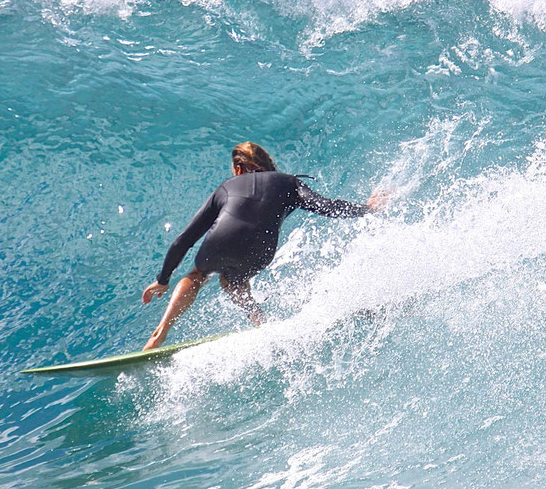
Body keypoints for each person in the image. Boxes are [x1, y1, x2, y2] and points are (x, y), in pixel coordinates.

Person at [141, 142, 385, 350]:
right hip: (260, 252)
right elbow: (326, 206)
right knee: (234, 280)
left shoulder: (227, 186)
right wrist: (367, 208)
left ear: (238, 169)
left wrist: (163, 279)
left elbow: (184, 239)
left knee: (197, 276)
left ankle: (159, 334)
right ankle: (260, 322)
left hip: (219, 243)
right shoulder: (289, 183)